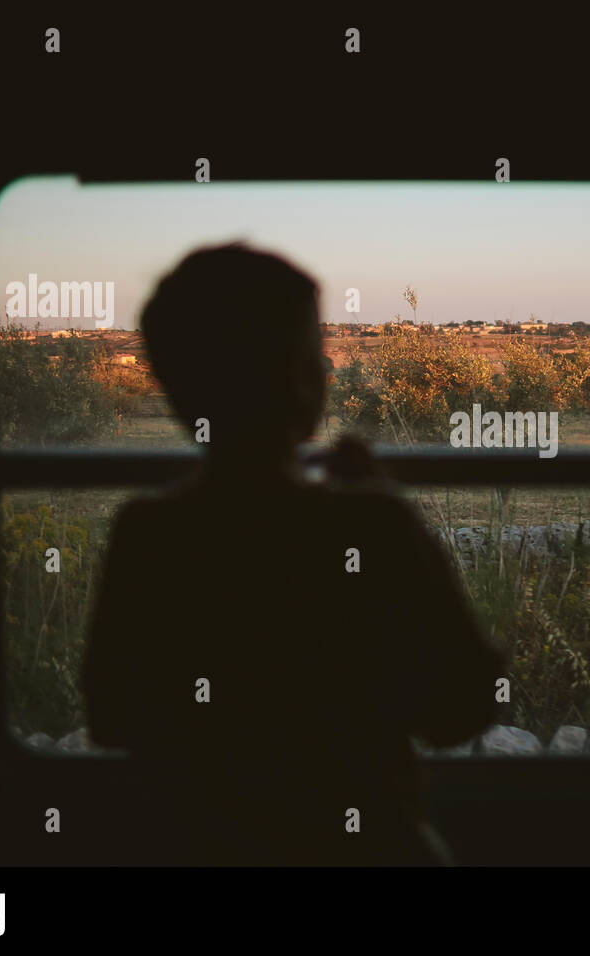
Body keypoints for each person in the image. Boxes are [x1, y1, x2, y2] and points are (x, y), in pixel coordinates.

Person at [82, 243, 502, 865]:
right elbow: (466, 707)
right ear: (302, 382)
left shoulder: (147, 534)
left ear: (173, 389)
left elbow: (111, 718)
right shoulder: (369, 524)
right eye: (315, 355)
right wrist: (379, 505)